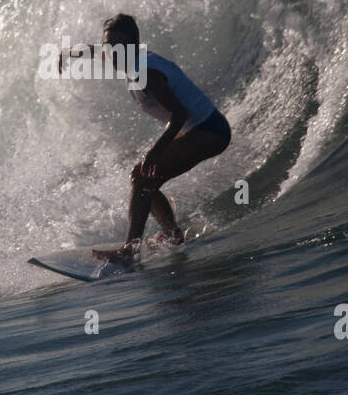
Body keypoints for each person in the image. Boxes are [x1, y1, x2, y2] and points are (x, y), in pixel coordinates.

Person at [61, 13, 231, 262]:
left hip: (209, 130)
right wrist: (69, 53)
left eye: (119, 45)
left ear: (133, 45)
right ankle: (172, 235)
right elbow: (97, 49)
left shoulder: (145, 71)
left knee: (142, 179)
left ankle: (130, 251)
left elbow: (179, 114)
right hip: (197, 129)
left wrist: (155, 151)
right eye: (109, 45)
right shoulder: (123, 56)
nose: (112, 52)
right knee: (142, 177)